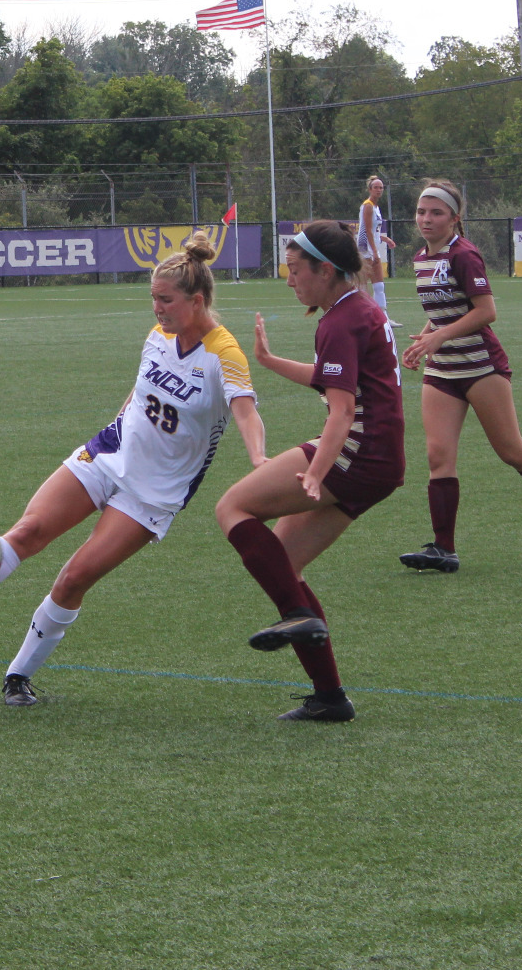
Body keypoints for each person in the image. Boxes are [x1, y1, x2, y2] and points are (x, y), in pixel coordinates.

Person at [0, 233, 266, 708]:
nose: (156, 309)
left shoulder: (225, 355)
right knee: (29, 530)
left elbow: (245, 411)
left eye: (165, 300)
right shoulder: (158, 335)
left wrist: (260, 461)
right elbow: (138, 394)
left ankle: (18, 676)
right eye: (152, 299)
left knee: (73, 579)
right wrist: (116, 429)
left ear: (196, 301)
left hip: (153, 494)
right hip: (106, 454)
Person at [213, 220, 400, 723]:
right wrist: (269, 360)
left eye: (296, 269)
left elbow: (340, 412)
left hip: (355, 452)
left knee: (232, 506)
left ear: (326, 269)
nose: (289, 278)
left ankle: (297, 616)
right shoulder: (358, 311)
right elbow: (333, 380)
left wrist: (317, 473)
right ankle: (330, 698)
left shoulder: (340, 320)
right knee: (284, 565)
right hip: (379, 457)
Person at [396, 180, 522, 574]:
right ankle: (444, 548)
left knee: (511, 451)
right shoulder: (420, 257)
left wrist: (440, 335)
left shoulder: (464, 254)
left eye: (436, 213)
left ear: (455, 219)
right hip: (443, 368)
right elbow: (448, 307)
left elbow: (485, 311)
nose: (426, 219)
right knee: (437, 455)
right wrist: (427, 336)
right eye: (422, 212)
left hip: (481, 366)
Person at [356, 175, 394, 319]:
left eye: (381, 187)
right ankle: (360, 315)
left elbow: (374, 231)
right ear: (370, 189)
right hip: (366, 249)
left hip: (373, 249)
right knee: (362, 284)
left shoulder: (376, 207)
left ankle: (383, 317)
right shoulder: (368, 206)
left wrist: (385, 239)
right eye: (376, 187)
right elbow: (366, 230)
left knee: (379, 285)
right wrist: (374, 252)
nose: (379, 190)